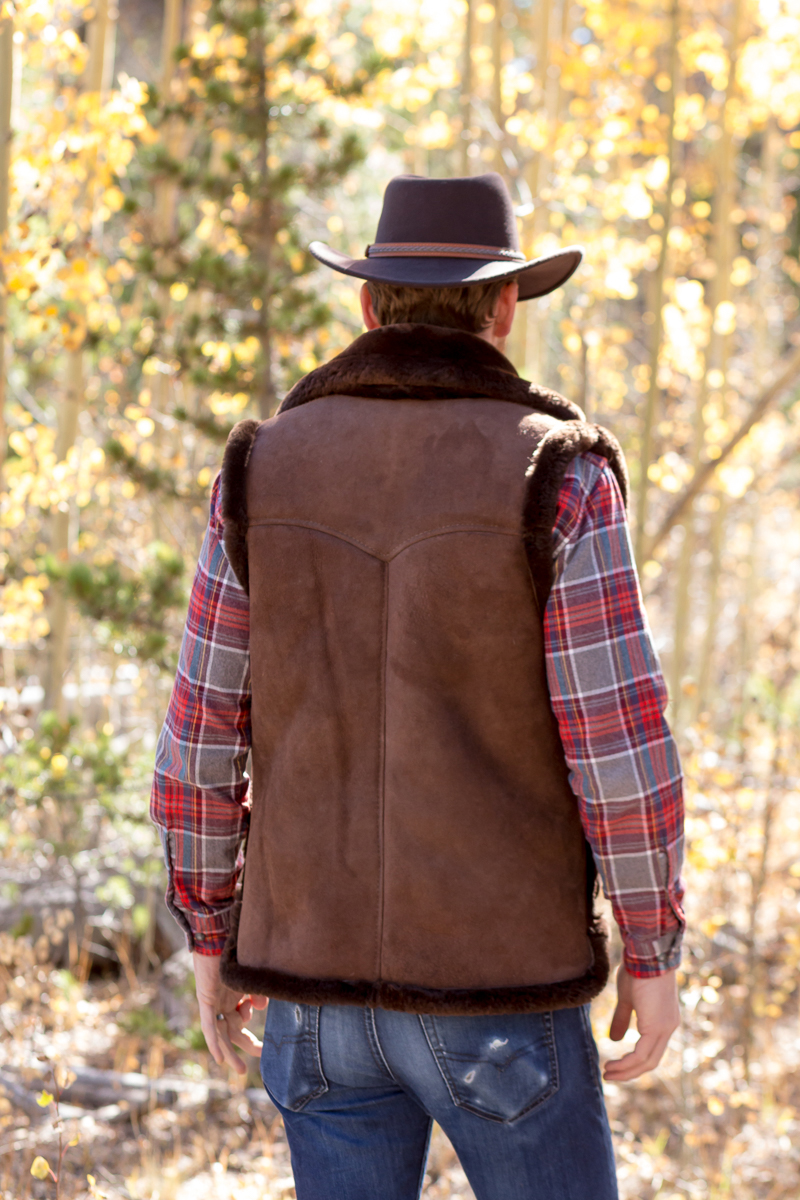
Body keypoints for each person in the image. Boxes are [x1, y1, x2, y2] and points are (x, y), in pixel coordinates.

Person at [151, 172, 684, 1200]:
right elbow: (617, 748)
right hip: (498, 999)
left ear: (365, 305)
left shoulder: (260, 470)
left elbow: (199, 737)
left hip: (312, 1004)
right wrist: (650, 952)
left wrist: (208, 935)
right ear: (504, 307)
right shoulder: (556, 476)